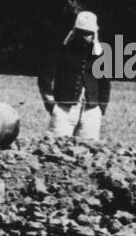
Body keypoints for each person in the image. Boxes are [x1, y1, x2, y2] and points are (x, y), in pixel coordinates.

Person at [39, 10, 109, 140]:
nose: (85, 37)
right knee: (55, 148)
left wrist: (101, 107)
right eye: (82, 33)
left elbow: (105, 83)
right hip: (63, 110)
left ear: (94, 34)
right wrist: (51, 104)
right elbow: (45, 78)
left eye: (89, 34)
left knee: (89, 151)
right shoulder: (61, 50)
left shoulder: (99, 54)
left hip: (91, 111)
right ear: (75, 31)